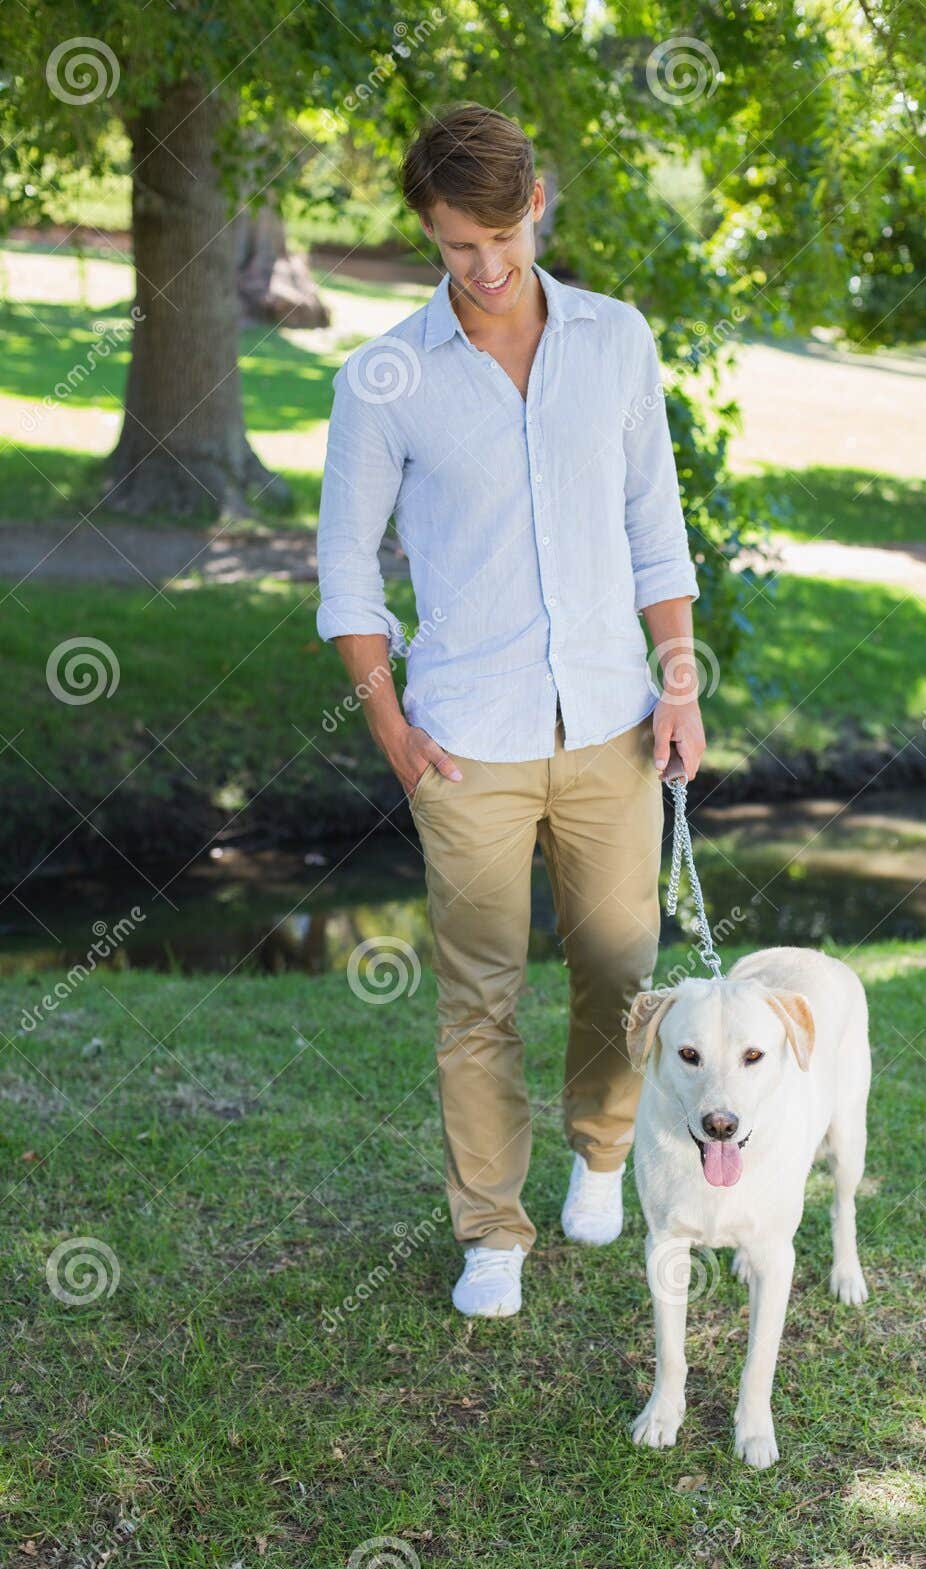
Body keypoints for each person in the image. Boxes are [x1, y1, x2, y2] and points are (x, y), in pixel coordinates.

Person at [316, 103, 705, 1317]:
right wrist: (388, 726)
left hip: (610, 724)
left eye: (500, 234)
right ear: (426, 236)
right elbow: (344, 573)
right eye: (454, 247)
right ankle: (491, 1228)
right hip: (464, 741)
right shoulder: (383, 377)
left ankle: (601, 1144)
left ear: (534, 200)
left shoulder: (615, 340)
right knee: (478, 990)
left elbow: (655, 525)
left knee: (617, 963)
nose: (485, 269)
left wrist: (679, 673)